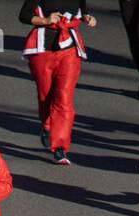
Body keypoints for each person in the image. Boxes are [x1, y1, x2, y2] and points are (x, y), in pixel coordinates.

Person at [19, 1, 97, 165]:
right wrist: (46, 21)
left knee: (64, 99)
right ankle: (47, 125)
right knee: (46, 97)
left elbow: (82, 10)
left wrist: (88, 18)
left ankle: (60, 147)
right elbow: (24, 16)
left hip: (69, 50)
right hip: (41, 50)